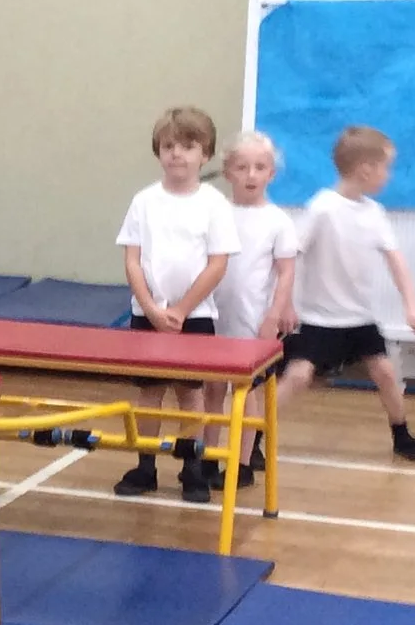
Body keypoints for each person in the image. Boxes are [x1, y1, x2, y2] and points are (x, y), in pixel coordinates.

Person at [277, 126, 415, 463]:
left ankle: (402, 434)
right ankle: (255, 434)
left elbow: (396, 261)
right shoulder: (322, 208)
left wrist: (411, 306)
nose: (388, 175)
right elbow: (291, 255)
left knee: (386, 373)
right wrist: (284, 304)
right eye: (386, 167)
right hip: (319, 320)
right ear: (365, 169)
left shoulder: (374, 213)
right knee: (298, 377)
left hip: (360, 319)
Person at [113, 107, 240, 502]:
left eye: (187, 146)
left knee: (190, 392)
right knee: (150, 391)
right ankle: (145, 464)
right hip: (147, 314)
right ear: (158, 152)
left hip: (195, 316)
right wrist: (150, 308)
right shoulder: (144, 201)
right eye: (169, 146)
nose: (177, 154)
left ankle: (192, 466)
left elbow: (217, 264)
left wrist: (183, 309)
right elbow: (133, 260)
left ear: (205, 154)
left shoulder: (214, 204)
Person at [212, 130, 298, 490]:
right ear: (227, 171)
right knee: (212, 390)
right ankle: (208, 456)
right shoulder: (216, 213)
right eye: (242, 167)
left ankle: (242, 463)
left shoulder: (277, 221)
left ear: (271, 174)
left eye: (260, 168)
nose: (251, 175)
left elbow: (286, 271)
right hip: (214, 315)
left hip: (252, 319)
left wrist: (274, 315)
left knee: (247, 393)